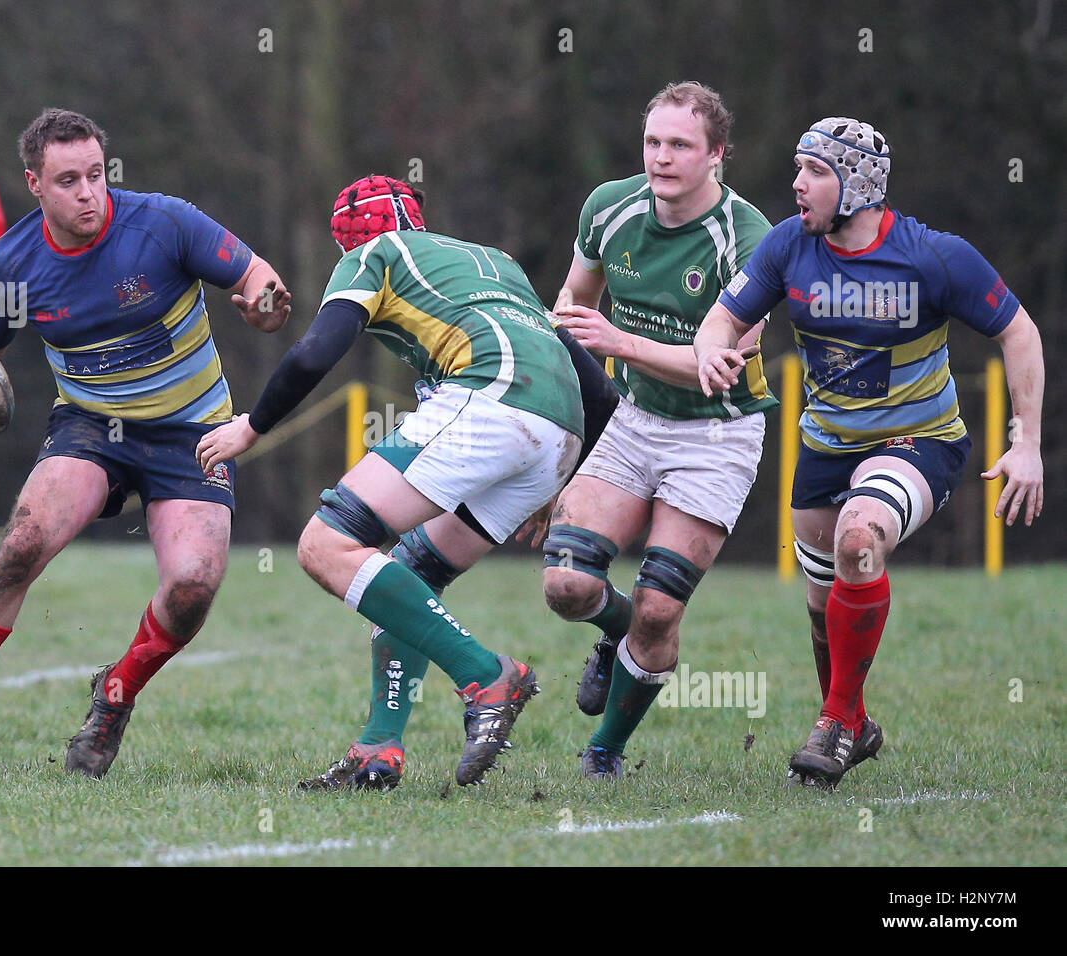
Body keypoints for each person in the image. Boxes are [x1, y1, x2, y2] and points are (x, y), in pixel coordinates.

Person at [0, 108, 292, 778]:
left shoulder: (164, 223)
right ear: (34, 183)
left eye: (96, 174)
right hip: (91, 427)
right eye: (69, 180)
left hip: (193, 432)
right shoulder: (14, 261)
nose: (89, 191)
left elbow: (259, 281)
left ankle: (113, 697)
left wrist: (265, 303)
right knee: (22, 544)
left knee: (193, 585)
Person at [197, 174, 618, 789]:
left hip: (493, 397)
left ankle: (487, 675)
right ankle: (378, 750)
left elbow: (316, 353)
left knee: (325, 543)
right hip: (563, 432)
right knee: (412, 573)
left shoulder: (373, 255)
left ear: (346, 242)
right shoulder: (493, 263)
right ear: (415, 218)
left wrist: (251, 429)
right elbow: (601, 395)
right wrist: (555, 481)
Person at [695, 116, 1044, 789]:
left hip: (920, 442)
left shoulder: (934, 255)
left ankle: (832, 726)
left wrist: (1026, 442)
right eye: (798, 168)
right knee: (825, 603)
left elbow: (1019, 331)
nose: (797, 184)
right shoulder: (786, 248)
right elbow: (724, 316)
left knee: (861, 539)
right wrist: (712, 347)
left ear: (856, 185)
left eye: (816, 172)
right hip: (826, 446)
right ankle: (854, 722)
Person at [521, 81, 776, 780]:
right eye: (653, 142)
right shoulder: (610, 207)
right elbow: (570, 313)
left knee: (661, 612)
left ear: (717, 154)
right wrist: (555, 452)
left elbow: (717, 369)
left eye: (680, 145)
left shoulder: (751, 238)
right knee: (566, 586)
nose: (661, 158)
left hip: (717, 434)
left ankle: (604, 752)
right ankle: (614, 634)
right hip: (633, 421)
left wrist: (617, 342)